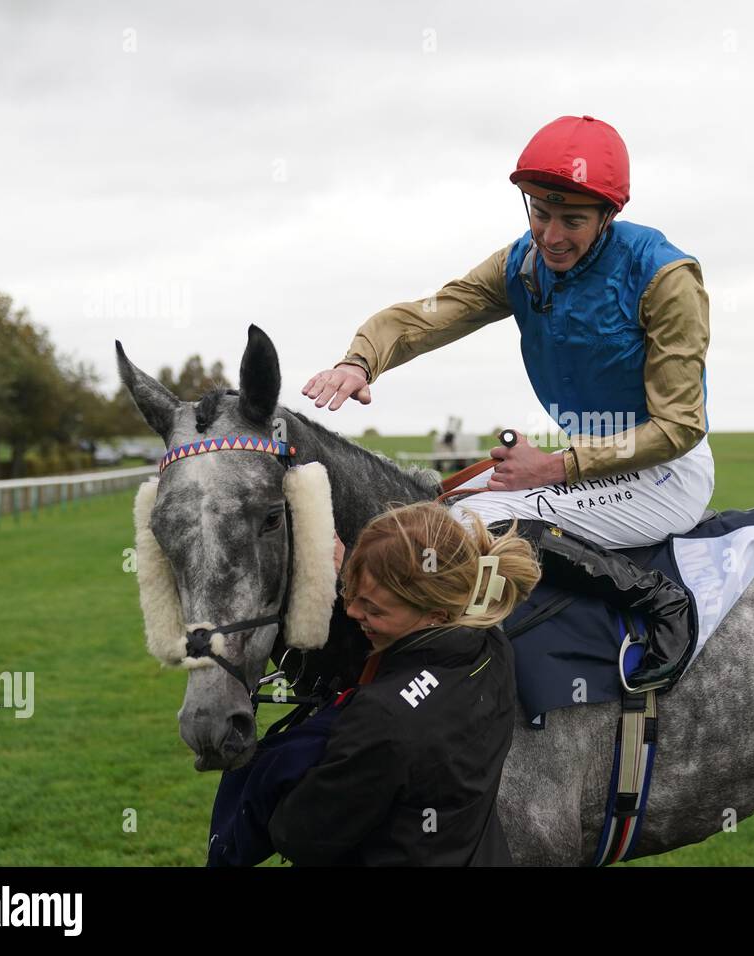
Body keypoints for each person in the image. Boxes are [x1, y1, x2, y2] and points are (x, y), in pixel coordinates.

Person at [302, 114, 713, 693]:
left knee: (478, 522)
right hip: (591, 463)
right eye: (540, 214)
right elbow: (428, 315)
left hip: (665, 473)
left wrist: (555, 467)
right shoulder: (520, 264)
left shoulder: (666, 277)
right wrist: (360, 360)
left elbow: (680, 425)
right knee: (444, 506)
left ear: (609, 216)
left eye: (572, 220)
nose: (550, 236)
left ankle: (664, 604)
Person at [207, 501, 540, 866]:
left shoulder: (380, 717)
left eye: (373, 609)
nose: (351, 611)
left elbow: (299, 834)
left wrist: (293, 767)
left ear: (436, 614)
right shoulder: (494, 647)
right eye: (352, 594)